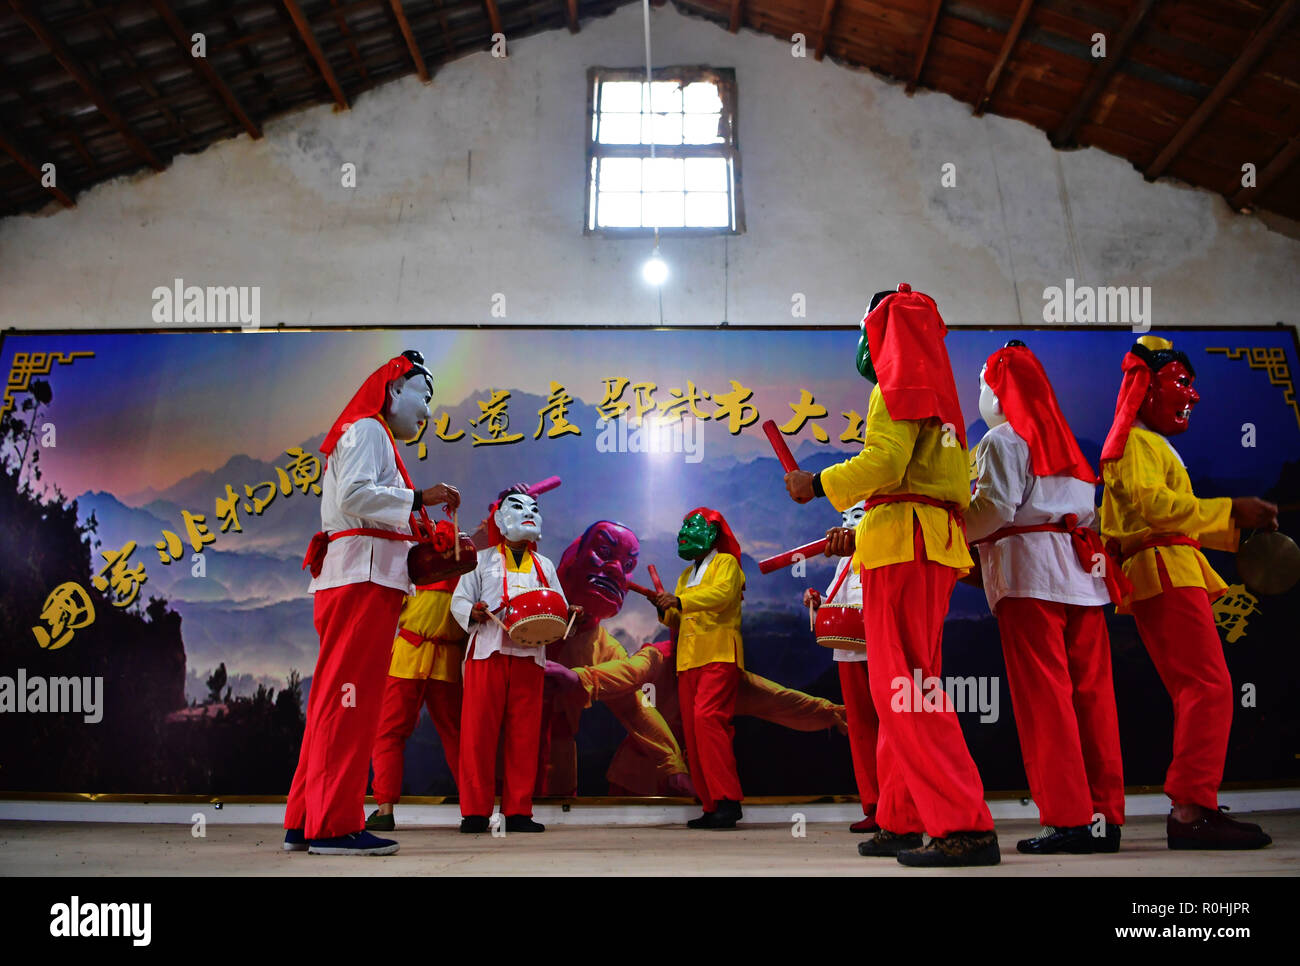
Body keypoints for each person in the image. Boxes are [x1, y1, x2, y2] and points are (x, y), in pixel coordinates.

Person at [784, 284, 999, 867]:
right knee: (907, 683)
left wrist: (817, 484)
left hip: (902, 545)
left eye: (868, 328)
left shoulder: (895, 388)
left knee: (903, 688)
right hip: (921, 543)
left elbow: (884, 464)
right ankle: (903, 817)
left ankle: (962, 823)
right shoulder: (936, 395)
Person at [1100, 335, 1277, 850]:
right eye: (1182, 382)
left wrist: (1236, 530)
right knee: (1208, 686)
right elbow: (1157, 511)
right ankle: (1191, 809)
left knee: (1200, 688)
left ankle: (1193, 805)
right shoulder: (1133, 442)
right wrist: (1229, 510)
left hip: (1173, 566)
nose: (1193, 396)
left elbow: (1170, 517)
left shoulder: (1146, 442)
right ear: (1147, 386)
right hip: (1165, 570)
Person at [285, 350, 460, 856]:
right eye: (423, 397)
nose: (427, 412)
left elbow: (368, 502)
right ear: (392, 389)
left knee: (330, 705)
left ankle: (305, 818)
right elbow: (358, 496)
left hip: (358, 578)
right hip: (361, 580)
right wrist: (419, 499)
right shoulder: (365, 430)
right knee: (352, 705)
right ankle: (336, 826)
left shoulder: (369, 433)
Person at [966, 341, 1125, 854]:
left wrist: (950, 530)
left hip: (1029, 575)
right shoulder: (1072, 448)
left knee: (1046, 700)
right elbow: (1091, 517)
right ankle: (1103, 816)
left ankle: (1068, 819)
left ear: (996, 392)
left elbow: (993, 510)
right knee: (1093, 696)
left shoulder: (1002, 441)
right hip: (1083, 574)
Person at [450, 489, 580, 833]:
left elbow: (559, 607)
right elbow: (459, 600)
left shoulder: (546, 565)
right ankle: (475, 813)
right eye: (518, 508)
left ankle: (519, 811)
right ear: (500, 520)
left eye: (533, 509)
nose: (528, 513)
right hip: (487, 653)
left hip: (529, 655)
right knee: (478, 735)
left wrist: (570, 614)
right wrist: (473, 612)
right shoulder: (480, 560)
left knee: (525, 736)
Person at [538, 521, 692, 797]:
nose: (616, 570)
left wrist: (672, 766)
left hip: (558, 767)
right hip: (504, 748)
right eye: (603, 551)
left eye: (627, 565)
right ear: (574, 556)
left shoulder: (605, 647)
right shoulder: (530, 608)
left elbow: (635, 707)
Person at [651, 508, 746, 829]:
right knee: (692, 732)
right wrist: (664, 609)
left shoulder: (726, 564)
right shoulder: (684, 576)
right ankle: (710, 804)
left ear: (713, 533)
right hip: (688, 659)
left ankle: (727, 800)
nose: (686, 532)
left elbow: (723, 595)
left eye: (693, 526)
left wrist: (679, 602)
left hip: (719, 653)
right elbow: (680, 618)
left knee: (709, 722)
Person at [365, 577, 467, 831]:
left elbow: (386, 608)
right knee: (457, 737)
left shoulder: (414, 560)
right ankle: (474, 810)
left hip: (408, 658)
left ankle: (385, 809)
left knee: (388, 733)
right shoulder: (467, 564)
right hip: (447, 660)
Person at [804, 500, 880, 834]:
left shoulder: (882, 550)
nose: (849, 524)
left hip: (879, 645)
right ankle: (875, 805)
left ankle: (901, 804)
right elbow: (840, 598)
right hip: (849, 649)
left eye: (858, 517)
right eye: (845, 518)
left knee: (891, 726)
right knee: (861, 729)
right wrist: (820, 603)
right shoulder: (845, 560)